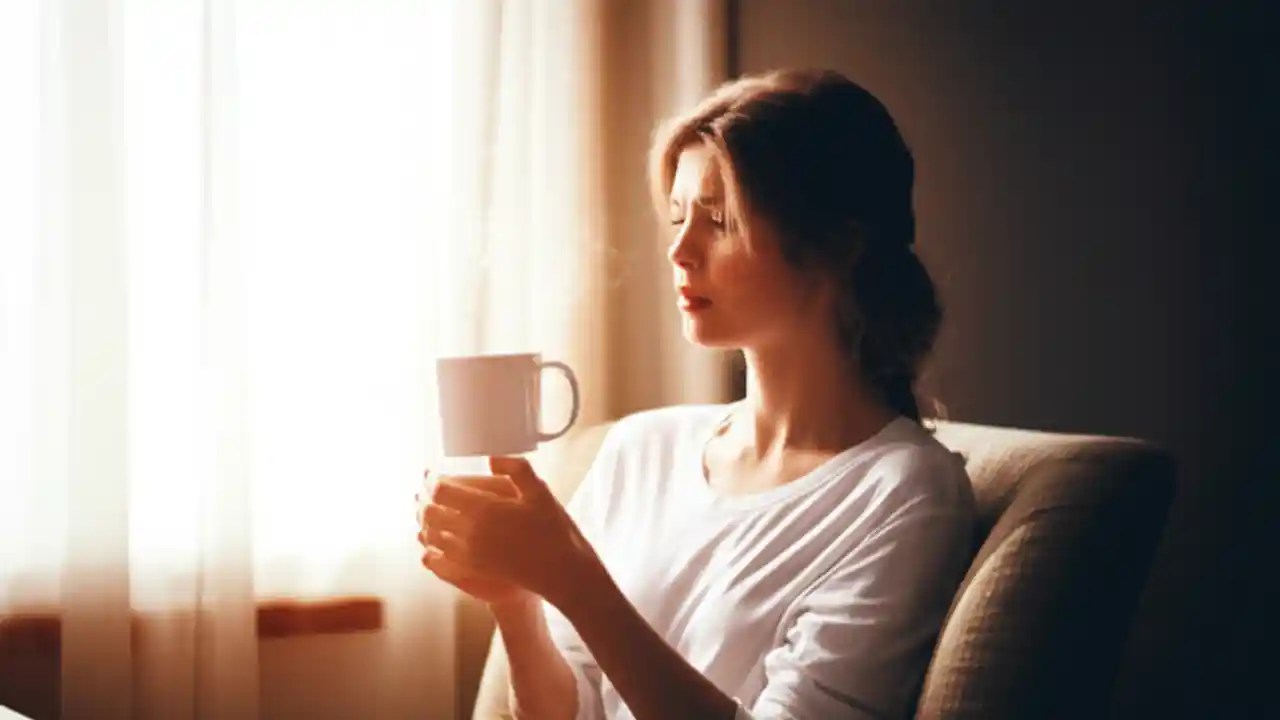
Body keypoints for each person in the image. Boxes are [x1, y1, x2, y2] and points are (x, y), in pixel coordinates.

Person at [416, 69, 976, 720]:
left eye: (718, 220)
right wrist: (516, 600)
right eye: (677, 217)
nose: (679, 250)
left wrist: (572, 578)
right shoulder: (640, 448)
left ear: (839, 245)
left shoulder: (903, 494)